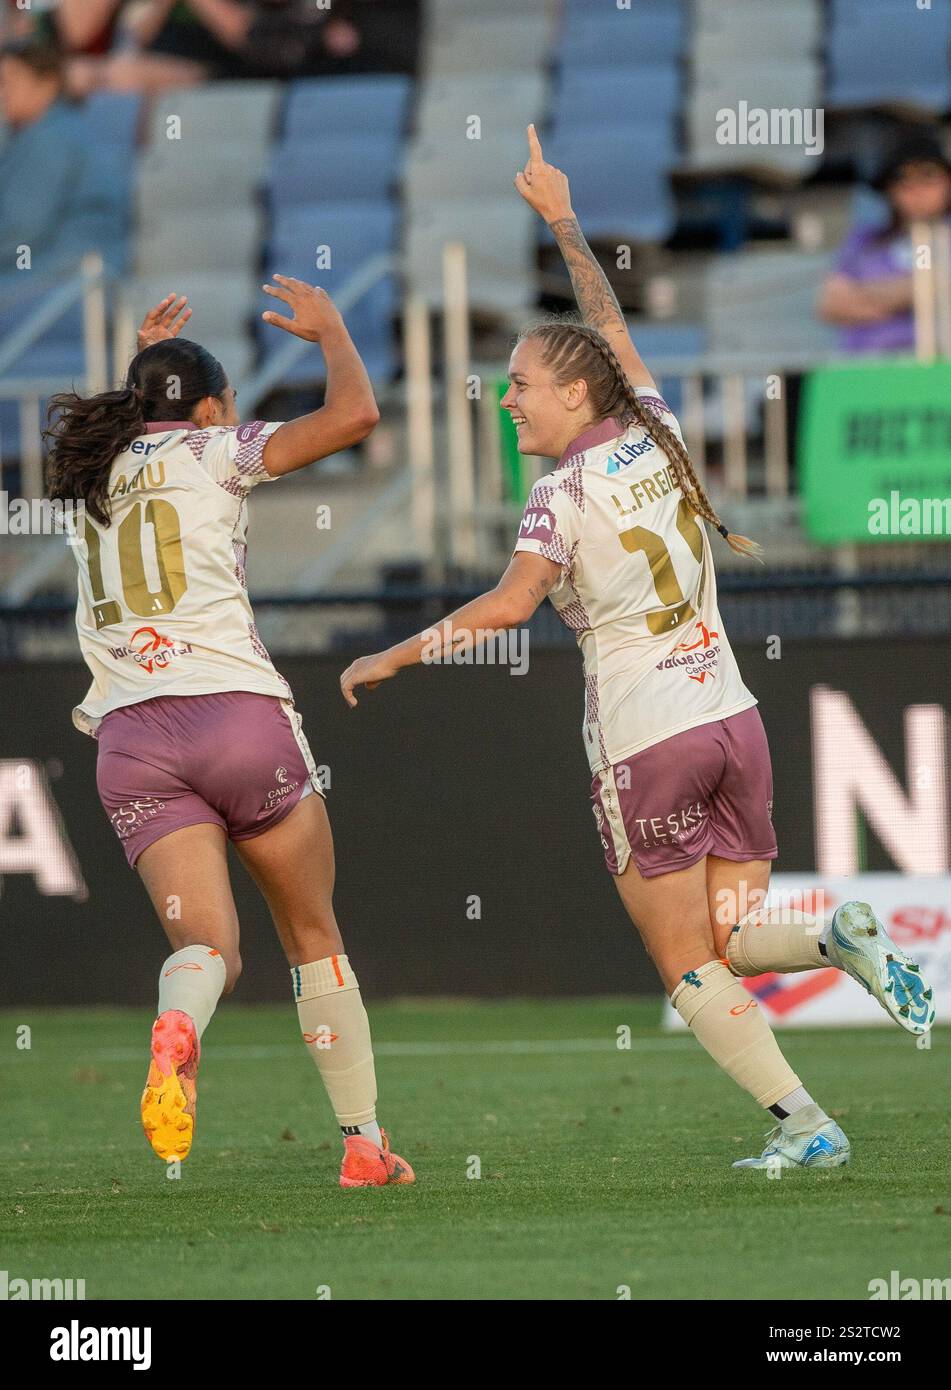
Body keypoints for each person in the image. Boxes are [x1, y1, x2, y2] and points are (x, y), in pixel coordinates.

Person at [341, 128, 935, 1172]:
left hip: (645, 738)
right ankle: (839, 941)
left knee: (684, 960)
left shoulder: (556, 496)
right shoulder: (654, 426)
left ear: (575, 395)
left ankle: (807, 1125)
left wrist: (393, 656)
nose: (506, 395)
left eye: (521, 381)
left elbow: (510, 605)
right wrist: (564, 221)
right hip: (732, 717)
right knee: (730, 931)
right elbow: (609, 323)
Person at [46, 278, 414, 1188]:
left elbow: (137, 437)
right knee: (313, 936)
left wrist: (140, 364)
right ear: (212, 408)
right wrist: (331, 332)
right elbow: (355, 415)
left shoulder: (85, 477)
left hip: (132, 744)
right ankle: (363, 1146)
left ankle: (179, 1025)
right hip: (236, 718)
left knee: (205, 946)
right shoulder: (219, 451)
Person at [818, 131, 951, 354]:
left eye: (928, 175)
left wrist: (868, 296)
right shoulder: (865, 239)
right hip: (871, 367)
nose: (916, 188)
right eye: (902, 178)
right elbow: (831, 305)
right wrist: (916, 292)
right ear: (889, 189)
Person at [0, 39, 123, 274]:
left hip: (66, 283)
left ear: (48, 83)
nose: (3, 91)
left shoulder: (55, 136)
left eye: (11, 80)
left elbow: (20, 229)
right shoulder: (30, 134)